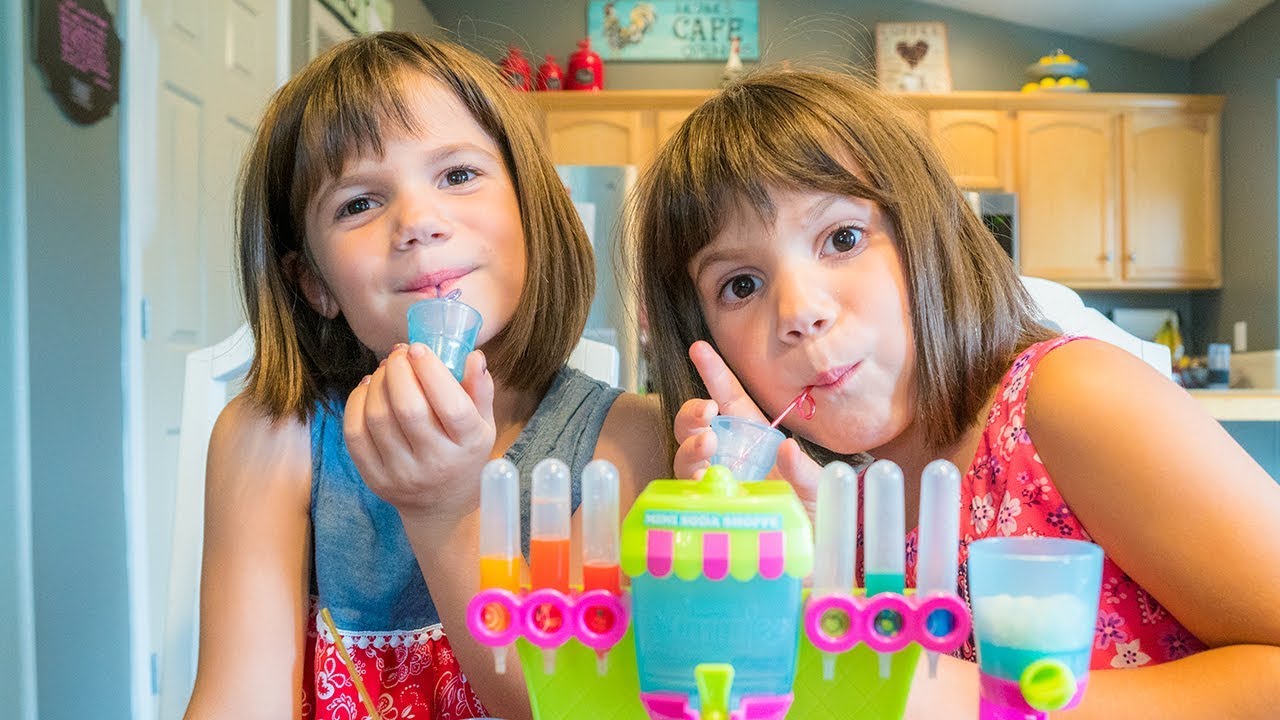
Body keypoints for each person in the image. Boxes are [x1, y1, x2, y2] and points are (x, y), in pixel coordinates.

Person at [626, 66, 1280, 718]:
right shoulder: (833, 508)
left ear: (930, 237)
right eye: (741, 285)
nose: (800, 310)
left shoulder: (1069, 401)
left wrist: (958, 698)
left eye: (843, 238)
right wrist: (781, 573)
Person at [184, 32, 665, 720]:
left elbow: (572, 704)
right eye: (358, 204)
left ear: (535, 209)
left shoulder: (629, 444)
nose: (417, 222)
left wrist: (448, 511)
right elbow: (239, 700)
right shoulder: (271, 439)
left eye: (458, 175)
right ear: (315, 283)